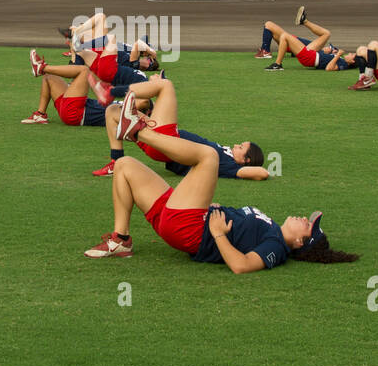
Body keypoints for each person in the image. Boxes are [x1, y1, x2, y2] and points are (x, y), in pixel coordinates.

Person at [85, 102, 358, 269]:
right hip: (187, 219)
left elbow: (242, 266)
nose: (303, 218)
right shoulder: (272, 227)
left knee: (208, 157)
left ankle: (138, 130)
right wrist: (219, 209)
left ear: (300, 242)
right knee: (126, 166)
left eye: (308, 225)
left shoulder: (276, 246)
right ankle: (120, 240)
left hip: (192, 229)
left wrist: (217, 234)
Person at [96, 78, 270, 180]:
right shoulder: (227, 158)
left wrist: (258, 171)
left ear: (247, 160)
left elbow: (261, 173)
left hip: (168, 143)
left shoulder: (231, 166)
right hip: (161, 142)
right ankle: (116, 162)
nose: (236, 145)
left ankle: (112, 91)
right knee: (112, 112)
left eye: (241, 147)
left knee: (166, 85)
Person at [21, 50, 114, 126]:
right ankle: (40, 115)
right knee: (49, 77)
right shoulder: (123, 105)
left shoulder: (122, 113)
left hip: (76, 114)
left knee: (85, 71)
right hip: (74, 108)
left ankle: (42, 68)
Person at [262, 7, 346, 71]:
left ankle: (276, 62)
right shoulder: (338, 58)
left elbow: (329, 68)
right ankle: (304, 21)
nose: (350, 54)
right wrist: (335, 54)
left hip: (309, 55)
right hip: (309, 51)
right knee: (327, 33)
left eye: (331, 49)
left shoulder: (343, 63)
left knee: (282, 34)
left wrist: (337, 54)